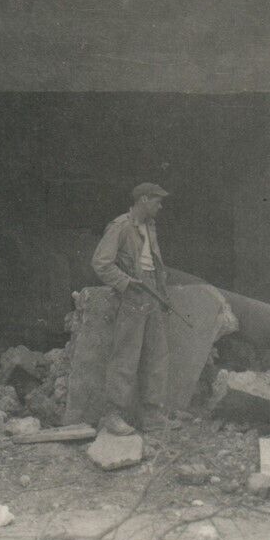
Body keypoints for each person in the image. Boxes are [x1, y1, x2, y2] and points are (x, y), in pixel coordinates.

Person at [90, 182, 178, 437]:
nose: (160, 207)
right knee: (126, 356)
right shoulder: (121, 227)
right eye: (157, 201)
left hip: (152, 294)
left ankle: (152, 417)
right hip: (132, 295)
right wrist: (126, 283)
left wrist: (162, 294)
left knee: (157, 355)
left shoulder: (150, 227)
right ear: (143, 200)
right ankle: (113, 416)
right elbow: (101, 263)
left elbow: (154, 265)